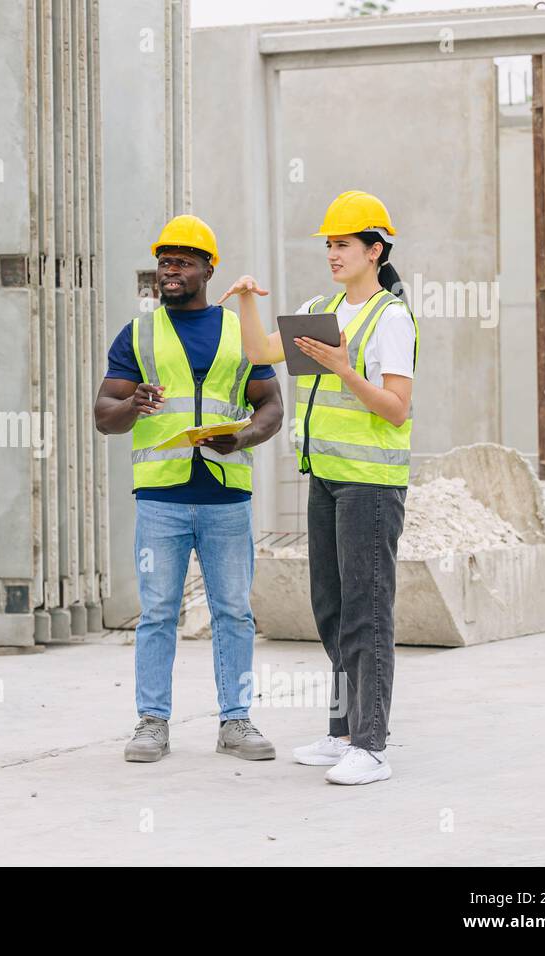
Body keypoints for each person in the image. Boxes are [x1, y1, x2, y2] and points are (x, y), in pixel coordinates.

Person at [219, 190, 418, 785]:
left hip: (371, 484)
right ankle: (341, 734)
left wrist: (342, 368)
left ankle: (372, 745)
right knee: (330, 609)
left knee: (367, 613)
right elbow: (260, 352)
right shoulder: (322, 306)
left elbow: (397, 409)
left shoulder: (391, 317)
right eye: (329, 243)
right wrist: (249, 303)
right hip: (327, 478)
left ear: (375, 250)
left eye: (343, 244)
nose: (332, 253)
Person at [94, 214, 283, 763]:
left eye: (181, 262)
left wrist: (243, 436)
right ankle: (152, 722)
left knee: (234, 612)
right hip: (161, 499)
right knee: (157, 613)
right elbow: (104, 414)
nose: (169, 271)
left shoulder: (236, 333)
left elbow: (270, 405)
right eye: (164, 262)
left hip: (227, 496)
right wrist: (131, 405)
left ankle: (236, 722)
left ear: (207, 269)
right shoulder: (139, 333)